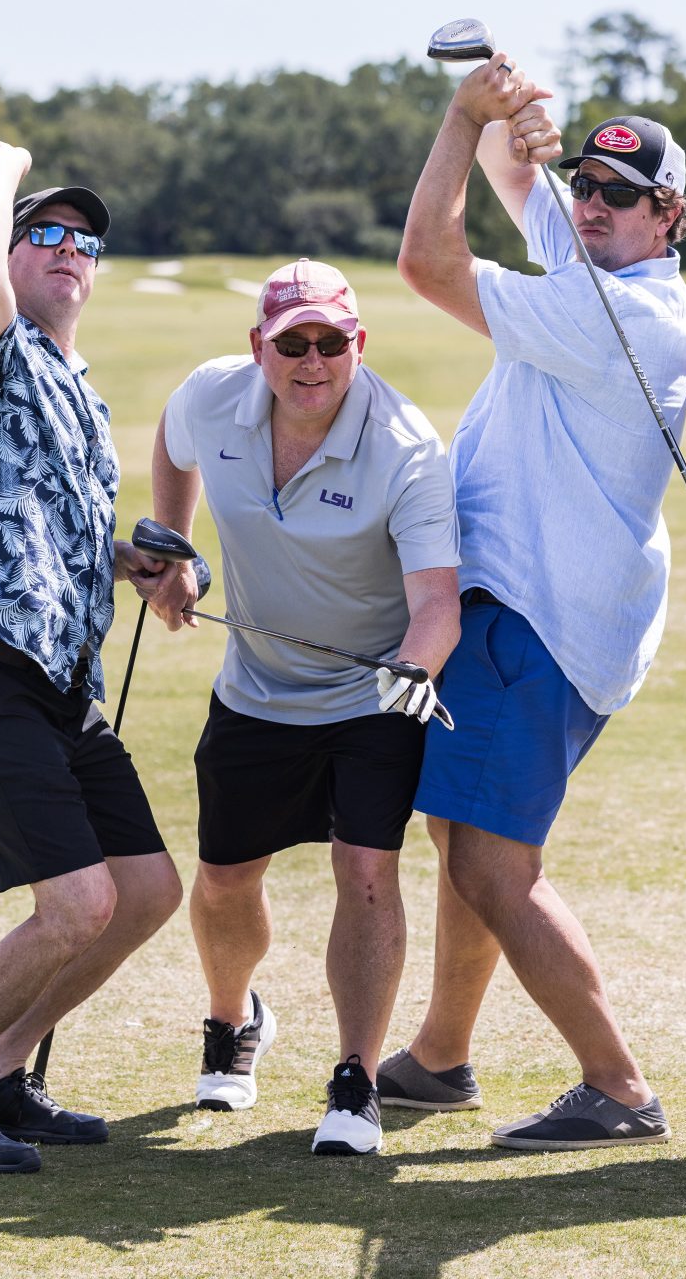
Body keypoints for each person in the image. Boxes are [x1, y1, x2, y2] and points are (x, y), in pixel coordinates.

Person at [389, 56, 686, 1149]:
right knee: (465, 833)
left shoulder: (616, 311)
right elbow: (518, 180)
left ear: (669, 216)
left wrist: (460, 116)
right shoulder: (595, 261)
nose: (594, 205)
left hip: (537, 620)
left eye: (623, 195)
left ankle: (618, 1086)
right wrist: (511, 110)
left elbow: (427, 262)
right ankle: (440, 1056)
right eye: (588, 186)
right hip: (532, 610)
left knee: (490, 861)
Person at [0, 139, 183, 1175]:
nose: (67, 250)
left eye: (83, 242)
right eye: (43, 234)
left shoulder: (75, 385)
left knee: (145, 892)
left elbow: (50, 522)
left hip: (59, 686)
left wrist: (130, 561)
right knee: (78, 904)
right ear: (10, 254)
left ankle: (1, 1076)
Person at [135, 257, 461, 1157]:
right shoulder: (215, 396)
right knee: (224, 879)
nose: (312, 361)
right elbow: (171, 440)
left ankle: (356, 1080)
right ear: (259, 347)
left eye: (330, 342)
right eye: (292, 344)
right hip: (256, 689)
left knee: (367, 873)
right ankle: (233, 1019)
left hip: (374, 691)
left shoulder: (407, 447)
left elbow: (437, 602)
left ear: (359, 344)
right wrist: (174, 548)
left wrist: (413, 668)